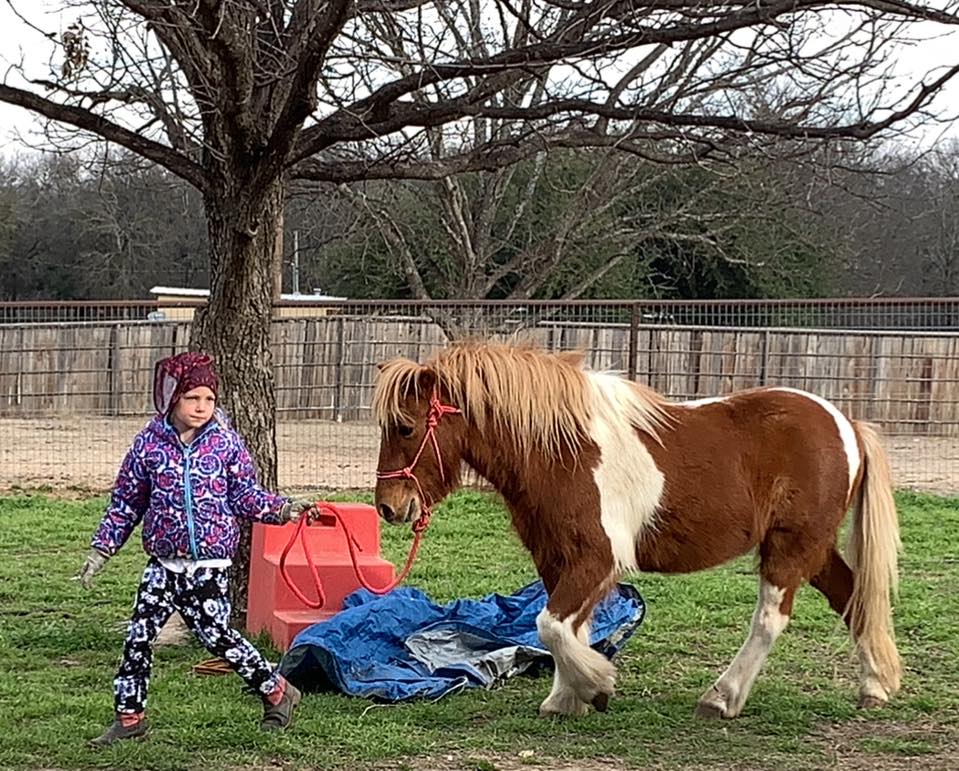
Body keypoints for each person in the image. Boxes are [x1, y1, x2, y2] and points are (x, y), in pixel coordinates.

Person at [77, 352, 316, 747]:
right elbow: (127, 502)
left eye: (209, 399)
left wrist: (283, 509)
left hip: (208, 565)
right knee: (138, 638)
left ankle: (277, 691)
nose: (202, 407)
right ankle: (129, 718)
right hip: (163, 565)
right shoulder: (148, 445)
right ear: (172, 398)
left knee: (217, 637)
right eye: (192, 398)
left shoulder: (225, 443)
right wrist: (101, 550)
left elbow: (244, 495)